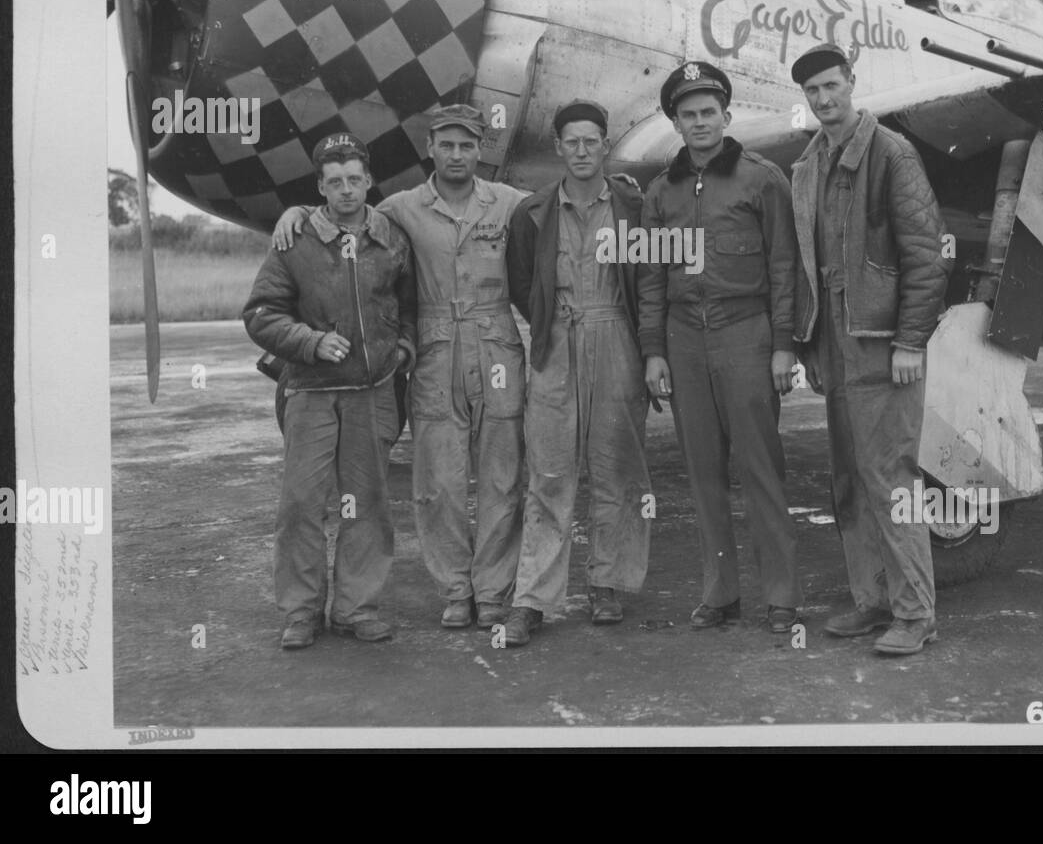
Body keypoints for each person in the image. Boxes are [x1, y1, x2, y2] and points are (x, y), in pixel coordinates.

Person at [273, 105, 529, 632]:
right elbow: (344, 214)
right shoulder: (399, 210)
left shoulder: (512, 205)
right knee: (438, 482)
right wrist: (295, 211)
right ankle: (456, 592)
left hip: (496, 345)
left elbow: (566, 207)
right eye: (446, 145)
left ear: (480, 149)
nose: (456, 155)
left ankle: (494, 593)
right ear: (430, 148)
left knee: (503, 479)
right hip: (436, 353)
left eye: (467, 145)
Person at [788, 43, 951, 655]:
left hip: (885, 345)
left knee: (892, 478)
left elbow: (926, 256)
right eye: (813, 91)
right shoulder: (806, 166)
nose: (825, 99)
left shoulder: (892, 153)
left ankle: (916, 613)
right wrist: (807, 343)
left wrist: (911, 339)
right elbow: (807, 265)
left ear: (852, 82)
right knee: (850, 479)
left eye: (833, 85)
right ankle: (873, 601)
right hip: (833, 342)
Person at [639, 60, 803, 633]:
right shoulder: (660, 193)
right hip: (684, 342)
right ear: (676, 124)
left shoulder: (763, 179)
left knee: (760, 467)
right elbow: (652, 279)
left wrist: (784, 345)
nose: (700, 122)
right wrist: (653, 351)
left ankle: (781, 596)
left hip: (746, 336)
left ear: (727, 116)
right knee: (702, 472)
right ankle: (721, 592)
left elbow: (785, 267)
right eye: (689, 114)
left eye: (709, 111)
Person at [244, 132, 417, 650]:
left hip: (374, 392)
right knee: (300, 504)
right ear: (320, 186)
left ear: (368, 181)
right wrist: (311, 342)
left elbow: (409, 305)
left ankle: (357, 609)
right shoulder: (293, 240)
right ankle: (300, 613)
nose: (346, 189)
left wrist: (403, 348)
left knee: (367, 503)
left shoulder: (392, 238)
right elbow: (260, 313)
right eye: (335, 181)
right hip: (310, 393)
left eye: (355, 179)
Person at [499, 100, 653, 647]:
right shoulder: (534, 212)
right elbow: (521, 280)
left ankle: (608, 585)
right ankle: (533, 600)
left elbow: (651, 279)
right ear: (559, 147)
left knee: (618, 469)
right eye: (573, 142)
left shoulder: (635, 205)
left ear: (604, 145)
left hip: (618, 340)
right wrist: (549, 319)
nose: (583, 151)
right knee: (549, 474)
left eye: (593, 141)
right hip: (556, 345)